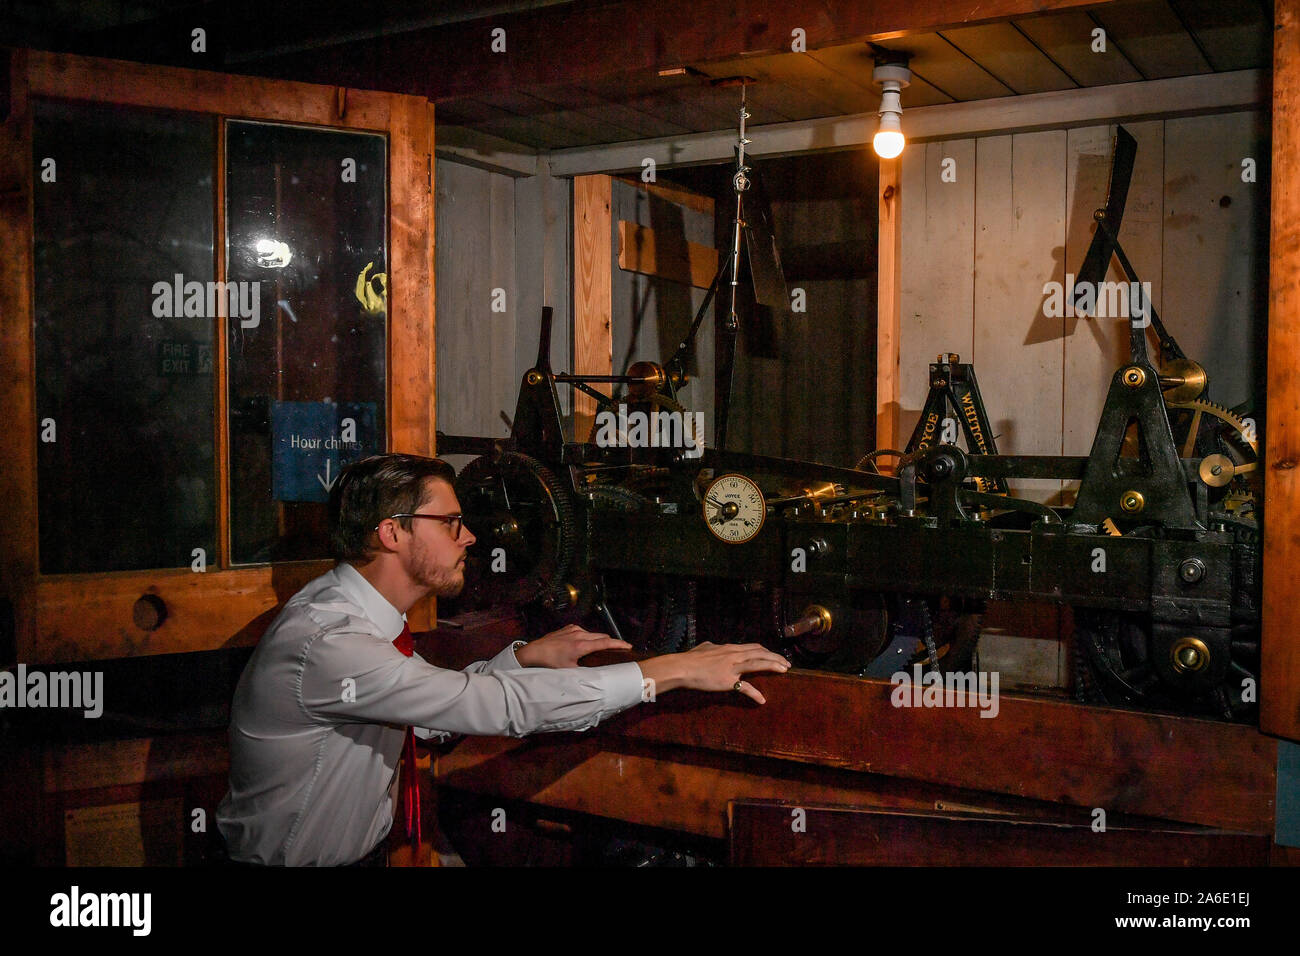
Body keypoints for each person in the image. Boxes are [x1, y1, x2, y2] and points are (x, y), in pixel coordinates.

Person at [216, 453, 789, 866]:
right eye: (450, 523)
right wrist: (669, 670)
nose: (469, 538)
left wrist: (523, 659)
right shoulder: (330, 642)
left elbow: (426, 707)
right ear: (392, 533)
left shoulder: (353, 619)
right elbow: (491, 708)